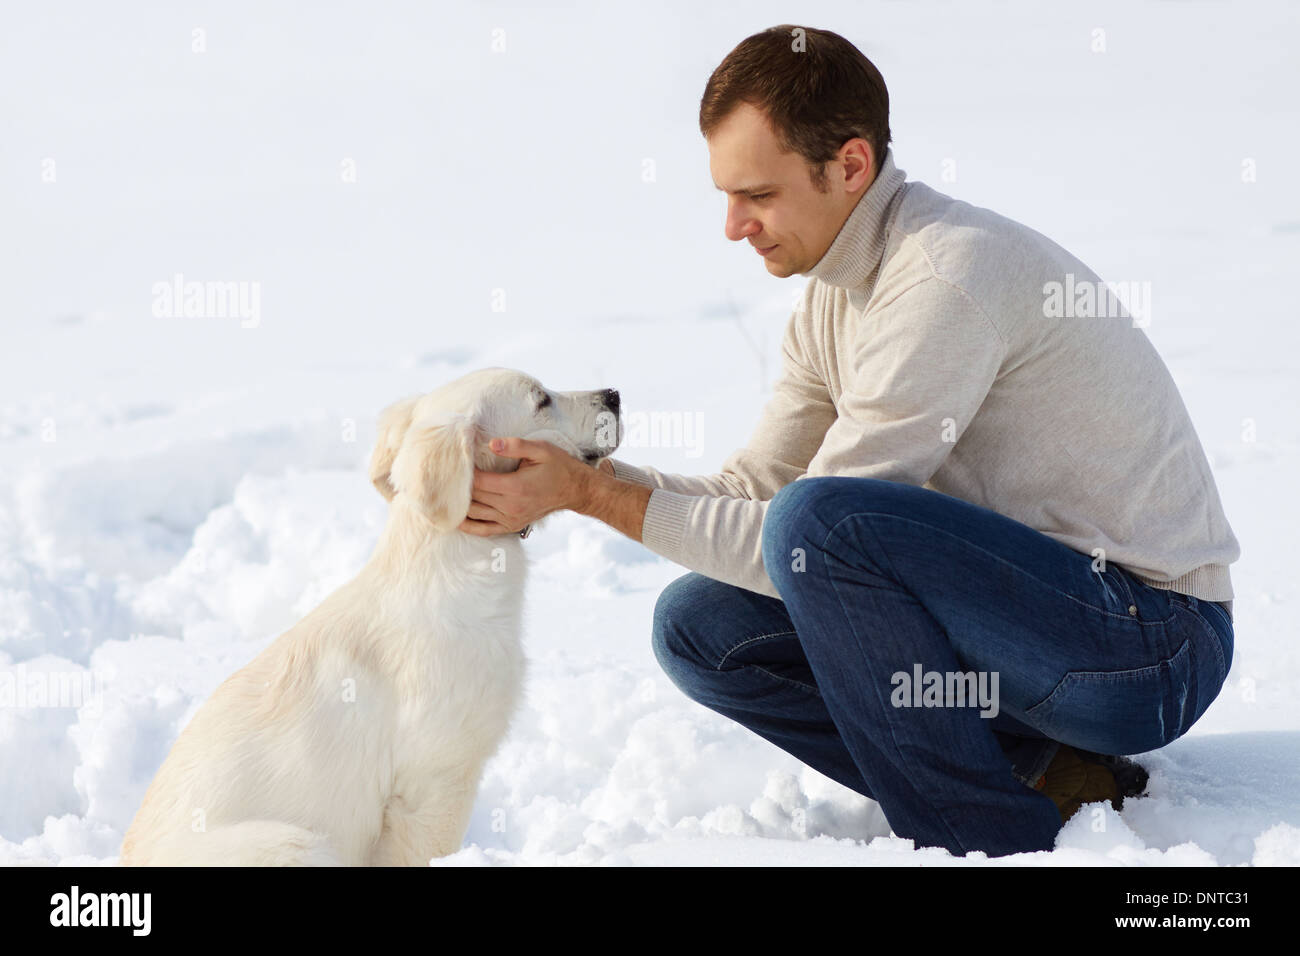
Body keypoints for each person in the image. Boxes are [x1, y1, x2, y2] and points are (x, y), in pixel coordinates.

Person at [458, 24, 1239, 857]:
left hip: (1150, 646)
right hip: (1036, 635)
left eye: (756, 194)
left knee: (815, 528)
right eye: (725, 195)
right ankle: (1040, 775)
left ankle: (978, 834)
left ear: (851, 166)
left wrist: (590, 494)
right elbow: (757, 492)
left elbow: (802, 539)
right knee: (702, 627)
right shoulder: (833, 298)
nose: (733, 225)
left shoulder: (945, 279)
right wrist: (579, 475)